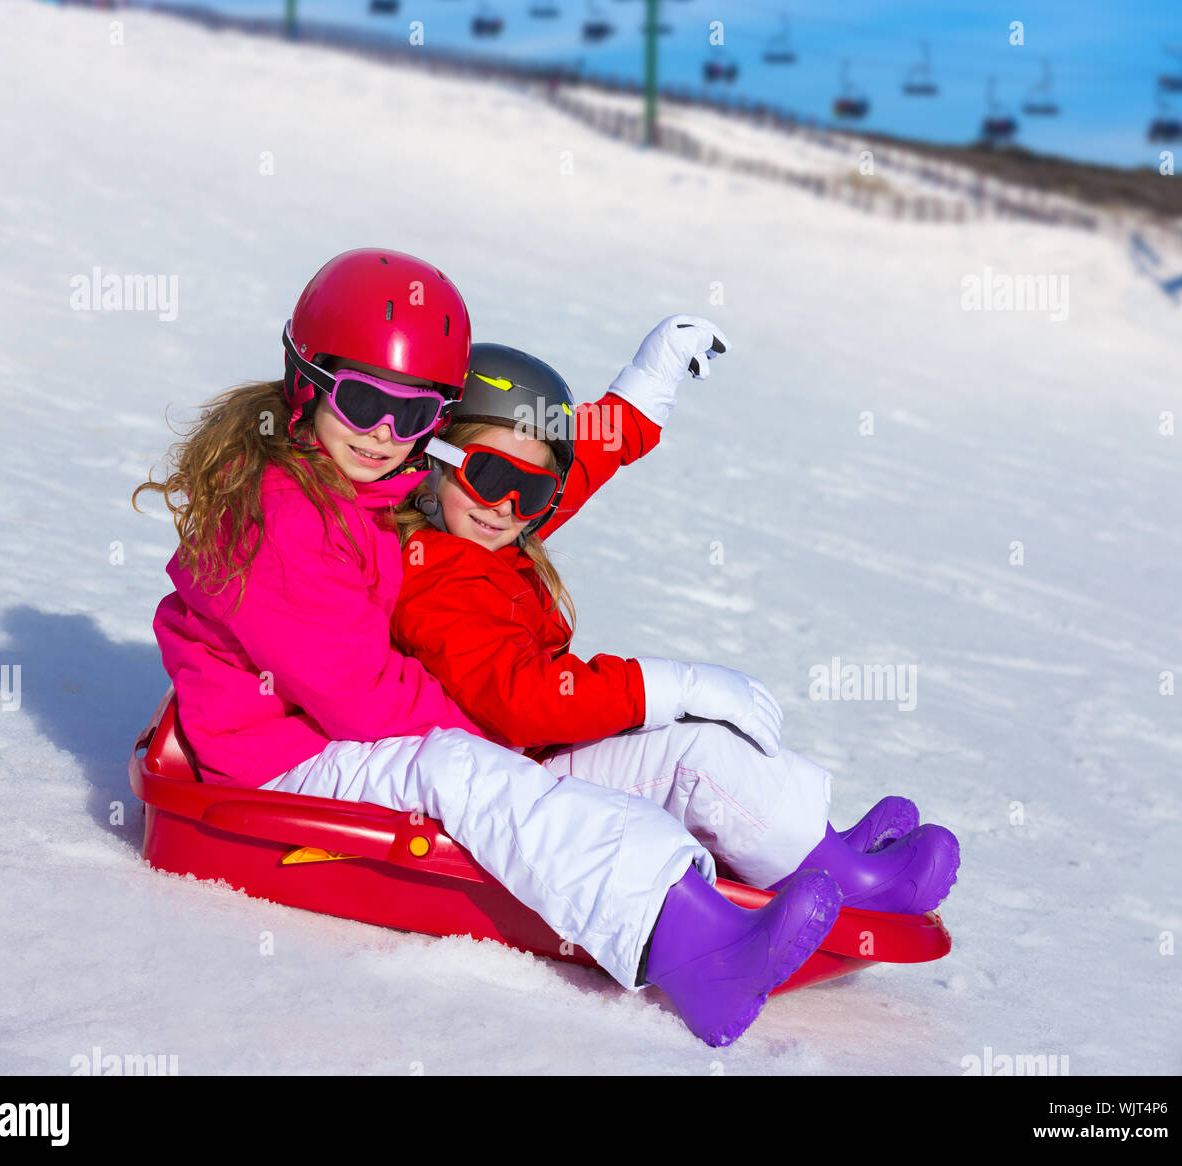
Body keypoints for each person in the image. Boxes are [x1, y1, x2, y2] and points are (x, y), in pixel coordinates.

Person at [138, 249, 843, 1048]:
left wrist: (638, 398)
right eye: (363, 401)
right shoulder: (286, 518)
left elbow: (515, 479)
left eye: (411, 416)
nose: (381, 433)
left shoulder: (382, 474)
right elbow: (363, 698)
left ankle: (824, 864)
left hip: (328, 720)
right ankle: (690, 945)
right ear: (308, 381)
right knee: (457, 769)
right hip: (279, 751)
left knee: (529, 759)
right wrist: (507, 735)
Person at [391, 321, 961, 913]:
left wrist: (647, 384)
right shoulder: (438, 577)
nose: (508, 506)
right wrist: (665, 686)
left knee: (696, 738)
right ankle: (835, 880)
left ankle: (815, 845)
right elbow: (524, 701)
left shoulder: (476, 529)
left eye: (531, 494)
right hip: (514, 780)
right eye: (490, 476)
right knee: (695, 757)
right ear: (433, 457)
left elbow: (580, 461)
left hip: (537, 753)